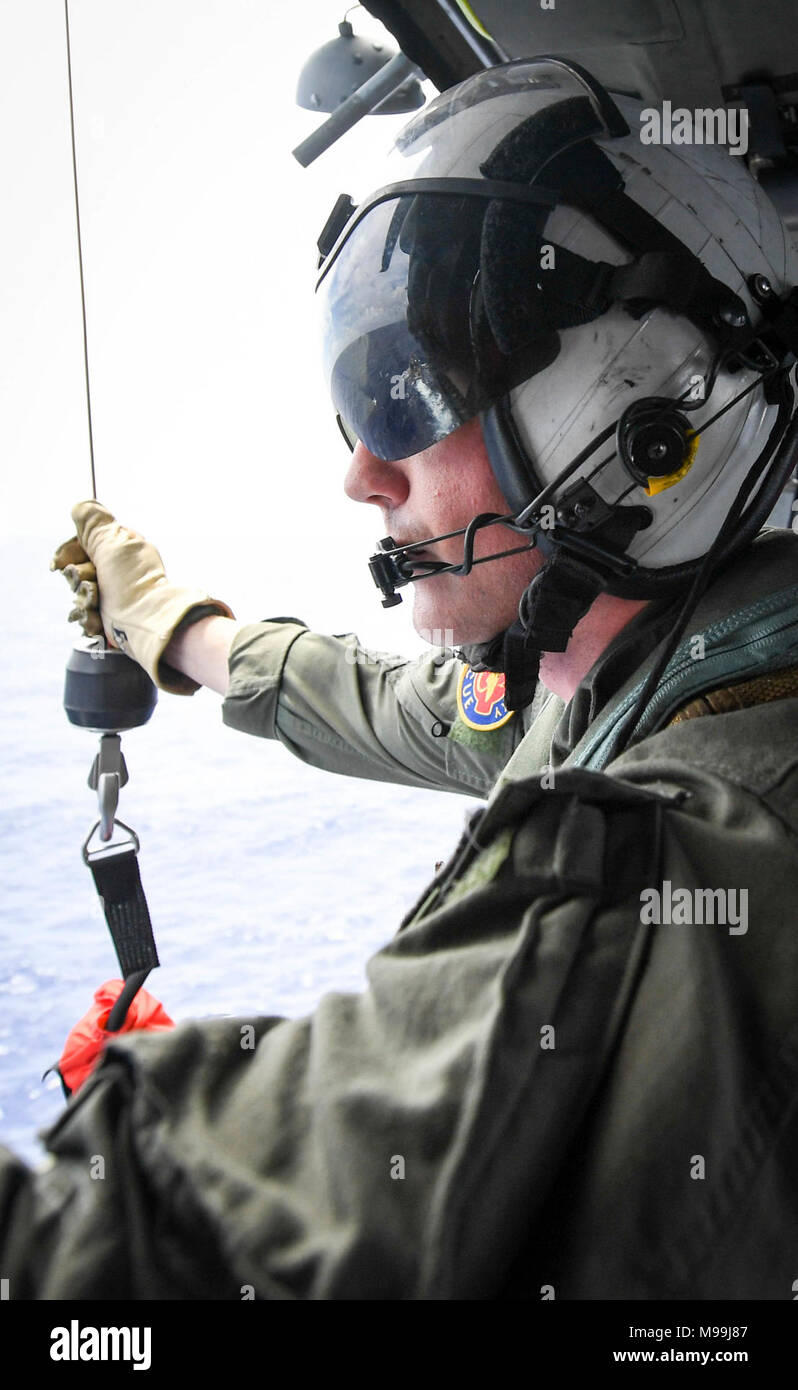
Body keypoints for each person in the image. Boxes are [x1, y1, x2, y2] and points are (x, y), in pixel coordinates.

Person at [6, 55, 798, 1299]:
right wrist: (178, 627)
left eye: (409, 390)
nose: (363, 473)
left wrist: (138, 1144)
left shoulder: (688, 861)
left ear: (642, 400)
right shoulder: (629, 667)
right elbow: (412, 706)